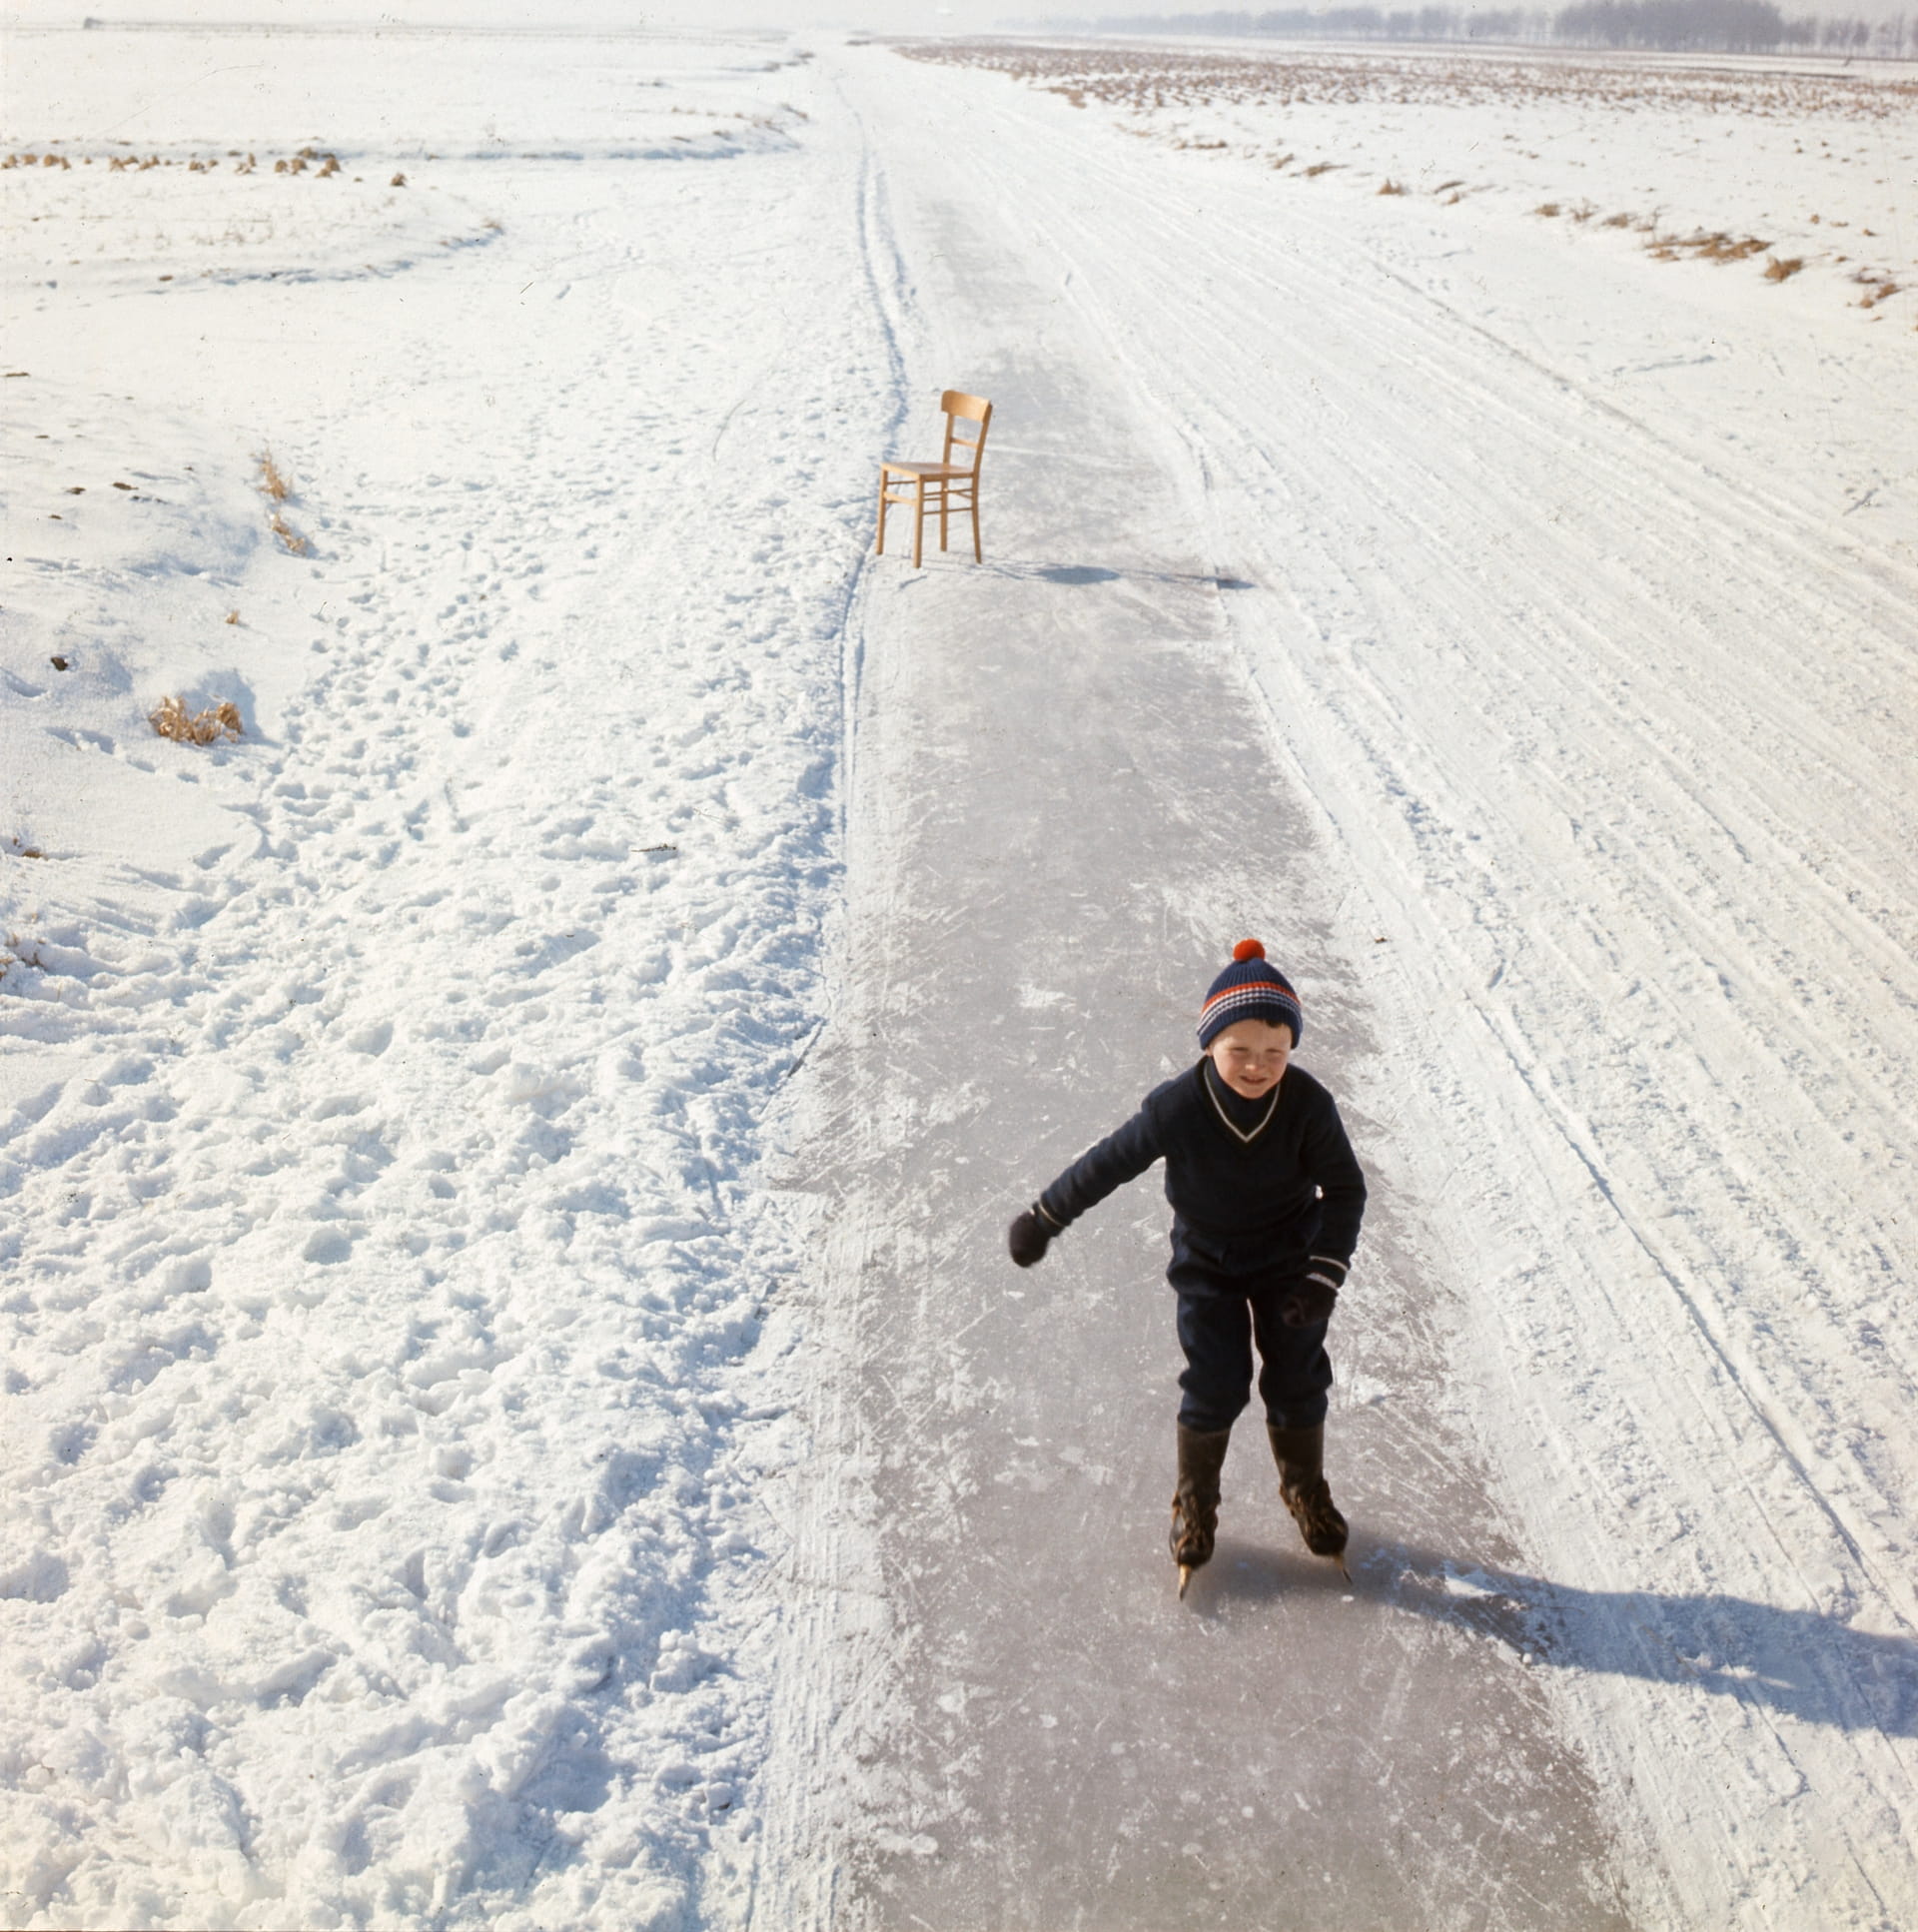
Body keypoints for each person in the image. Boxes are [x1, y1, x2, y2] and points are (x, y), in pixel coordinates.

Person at [1007, 940, 1367, 1592]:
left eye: (1275, 1053)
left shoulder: (1308, 1106)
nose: (1257, 1067)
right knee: (1216, 1380)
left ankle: (1304, 1487)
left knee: (1297, 1375)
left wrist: (1322, 1276)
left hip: (1290, 1261)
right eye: (1241, 1051)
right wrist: (1044, 1218)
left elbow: (1345, 1191)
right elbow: (1107, 1163)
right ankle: (1195, 1501)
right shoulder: (1179, 1108)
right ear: (1210, 1045)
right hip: (1208, 1264)